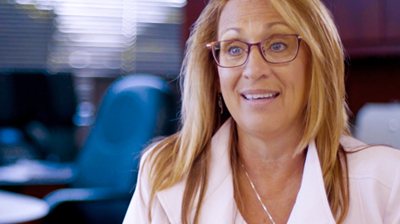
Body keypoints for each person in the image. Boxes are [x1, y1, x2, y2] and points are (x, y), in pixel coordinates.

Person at [123, 0, 400, 223]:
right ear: (214, 73)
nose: (253, 71)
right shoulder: (164, 174)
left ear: (316, 64)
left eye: (278, 45)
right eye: (233, 48)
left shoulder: (386, 181)